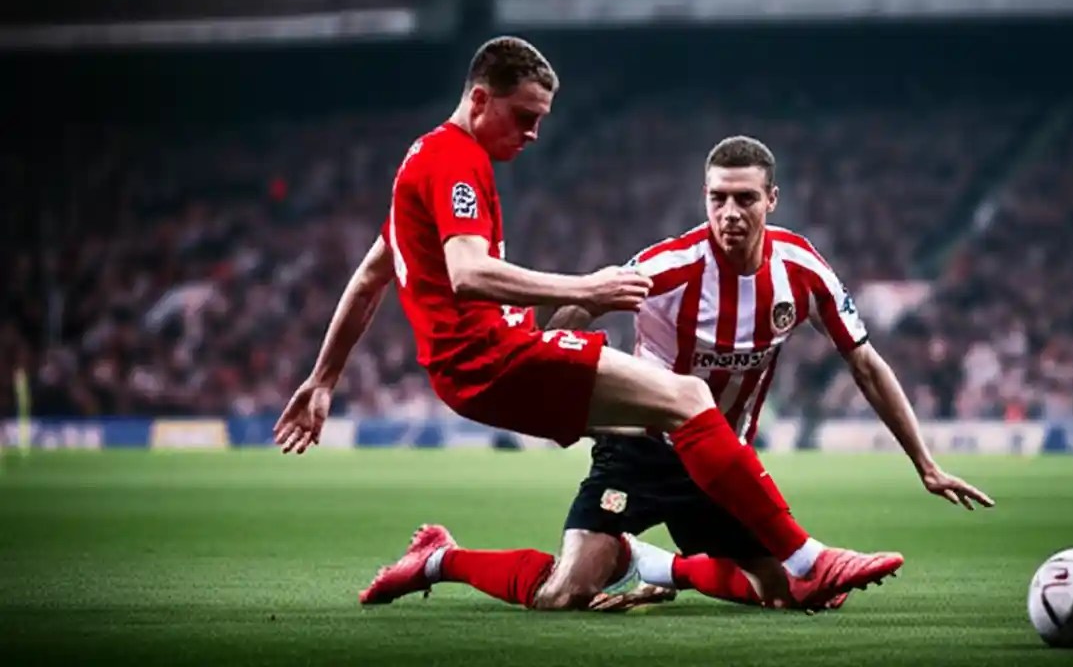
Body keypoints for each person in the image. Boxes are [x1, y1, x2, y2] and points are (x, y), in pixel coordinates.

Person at [272, 37, 939, 611]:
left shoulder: (419, 163)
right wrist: (584, 286)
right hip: (494, 355)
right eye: (525, 116)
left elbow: (370, 276)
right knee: (687, 397)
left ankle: (479, 560)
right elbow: (468, 273)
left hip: (480, 366)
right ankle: (808, 556)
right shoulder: (454, 160)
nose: (533, 133)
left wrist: (323, 379)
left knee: (587, 570)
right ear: (480, 98)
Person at [361, 135, 995, 613]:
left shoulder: (803, 272)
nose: (730, 213)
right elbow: (582, 305)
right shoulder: (671, 265)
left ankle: (657, 566)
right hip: (638, 455)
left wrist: (925, 463)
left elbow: (865, 363)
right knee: (563, 596)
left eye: (745, 198)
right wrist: (549, 370)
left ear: (771, 200)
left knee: (789, 599)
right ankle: (440, 558)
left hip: (724, 463)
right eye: (718, 198)